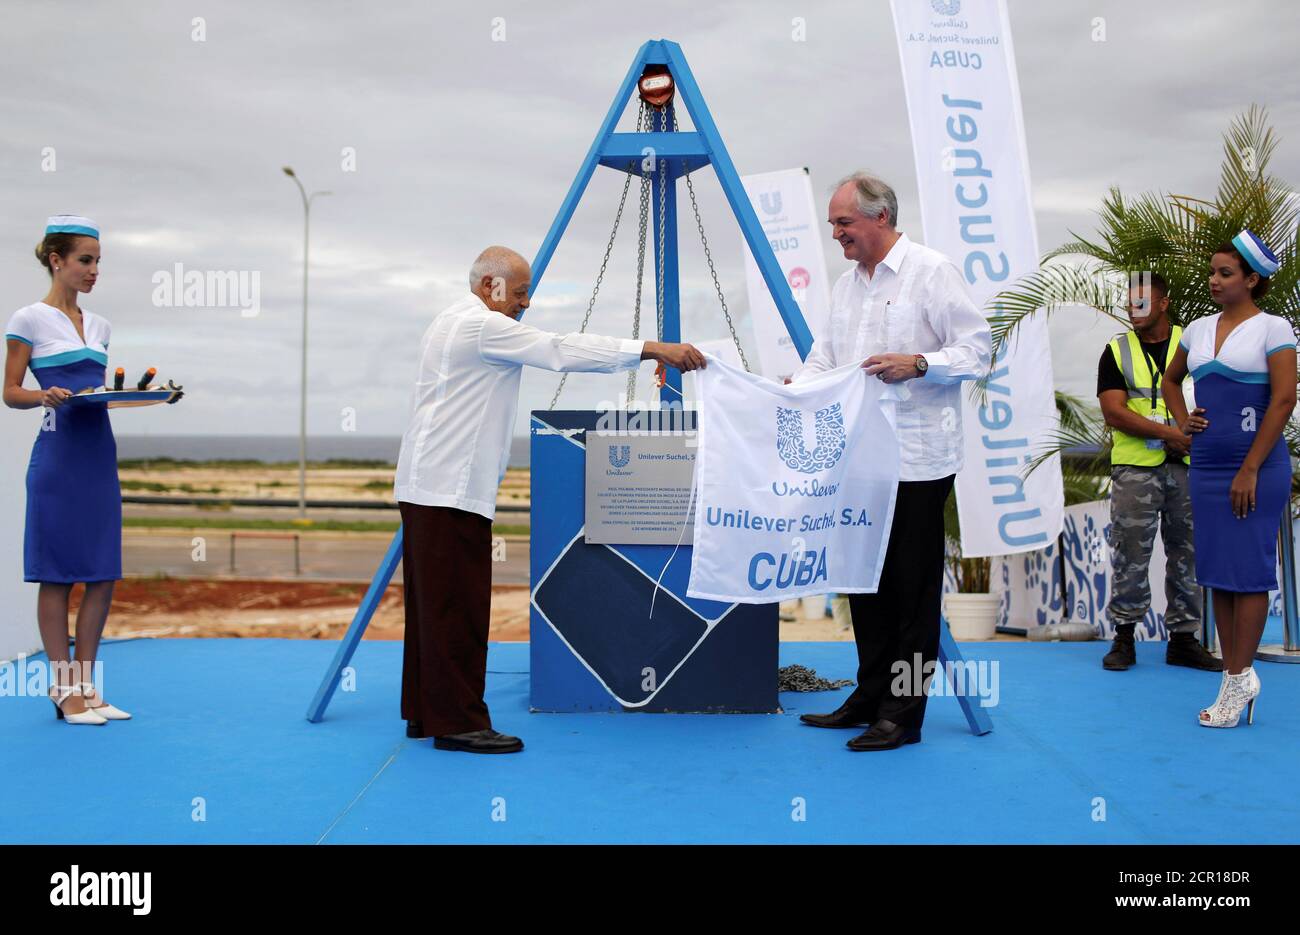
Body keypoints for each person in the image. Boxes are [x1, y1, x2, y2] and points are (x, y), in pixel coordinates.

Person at [394, 245, 706, 754]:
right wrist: (652, 349)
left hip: (428, 486)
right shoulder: (483, 327)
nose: (526, 303)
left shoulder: (450, 320)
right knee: (457, 609)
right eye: (520, 293)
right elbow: (560, 349)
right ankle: (458, 723)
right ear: (491, 286)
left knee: (431, 607)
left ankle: (425, 712)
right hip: (449, 490)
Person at [793, 172, 991, 751]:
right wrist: (793, 391)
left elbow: (978, 350)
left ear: (880, 216)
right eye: (833, 224)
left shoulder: (932, 270)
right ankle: (869, 697)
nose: (836, 233)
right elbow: (824, 358)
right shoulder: (846, 285)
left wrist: (921, 364)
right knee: (864, 584)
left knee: (911, 593)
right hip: (859, 461)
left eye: (843, 222)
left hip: (918, 461)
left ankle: (904, 715)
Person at [1162, 230, 1295, 728]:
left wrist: (1251, 468)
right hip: (1207, 467)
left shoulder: (1273, 328)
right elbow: (1170, 380)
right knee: (1218, 574)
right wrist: (1183, 423)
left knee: (1248, 572)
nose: (1214, 281)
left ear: (1252, 279)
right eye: (1213, 272)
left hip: (1256, 467)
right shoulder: (1196, 330)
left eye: (1226, 273)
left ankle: (1239, 680)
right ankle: (1234, 677)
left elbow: (1283, 400)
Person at [3, 216, 130, 725]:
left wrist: (139, 397)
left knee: (102, 574)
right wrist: (43, 395)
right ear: (56, 261)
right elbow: (10, 391)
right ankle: (63, 689)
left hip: (99, 457)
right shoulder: (28, 318)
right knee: (56, 577)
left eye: (98, 261)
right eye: (85, 260)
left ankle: (86, 685)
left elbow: (94, 395)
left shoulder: (100, 326)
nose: (94, 270)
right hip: (57, 460)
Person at [1096, 272, 1221, 671]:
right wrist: (1171, 434)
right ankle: (1124, 637)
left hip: (1189, 466)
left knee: (1188, 553)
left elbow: (1217, 397)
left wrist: (1190, 437)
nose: (1134, 309)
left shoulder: (1196, 344)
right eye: (1130, 303)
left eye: (1143, 302)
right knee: (1131, 552)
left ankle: (1184, 640)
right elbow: (1114, 412)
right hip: (1136, 469)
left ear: (1164, 304)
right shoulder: (1116, 350)